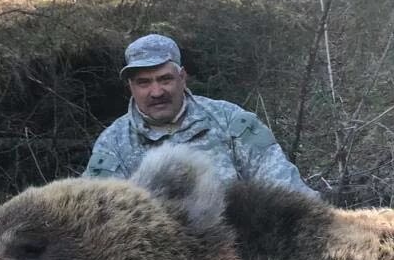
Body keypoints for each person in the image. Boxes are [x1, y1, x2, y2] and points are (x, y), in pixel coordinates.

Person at [83, 34, 317, 194]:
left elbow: (285, 186)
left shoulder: (229, 120)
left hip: (240, 252)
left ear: (182, 77)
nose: (156, 92)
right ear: (130, 87)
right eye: (144, 83)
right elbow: (96, 216)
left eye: (165, 79)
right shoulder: (112, 144)